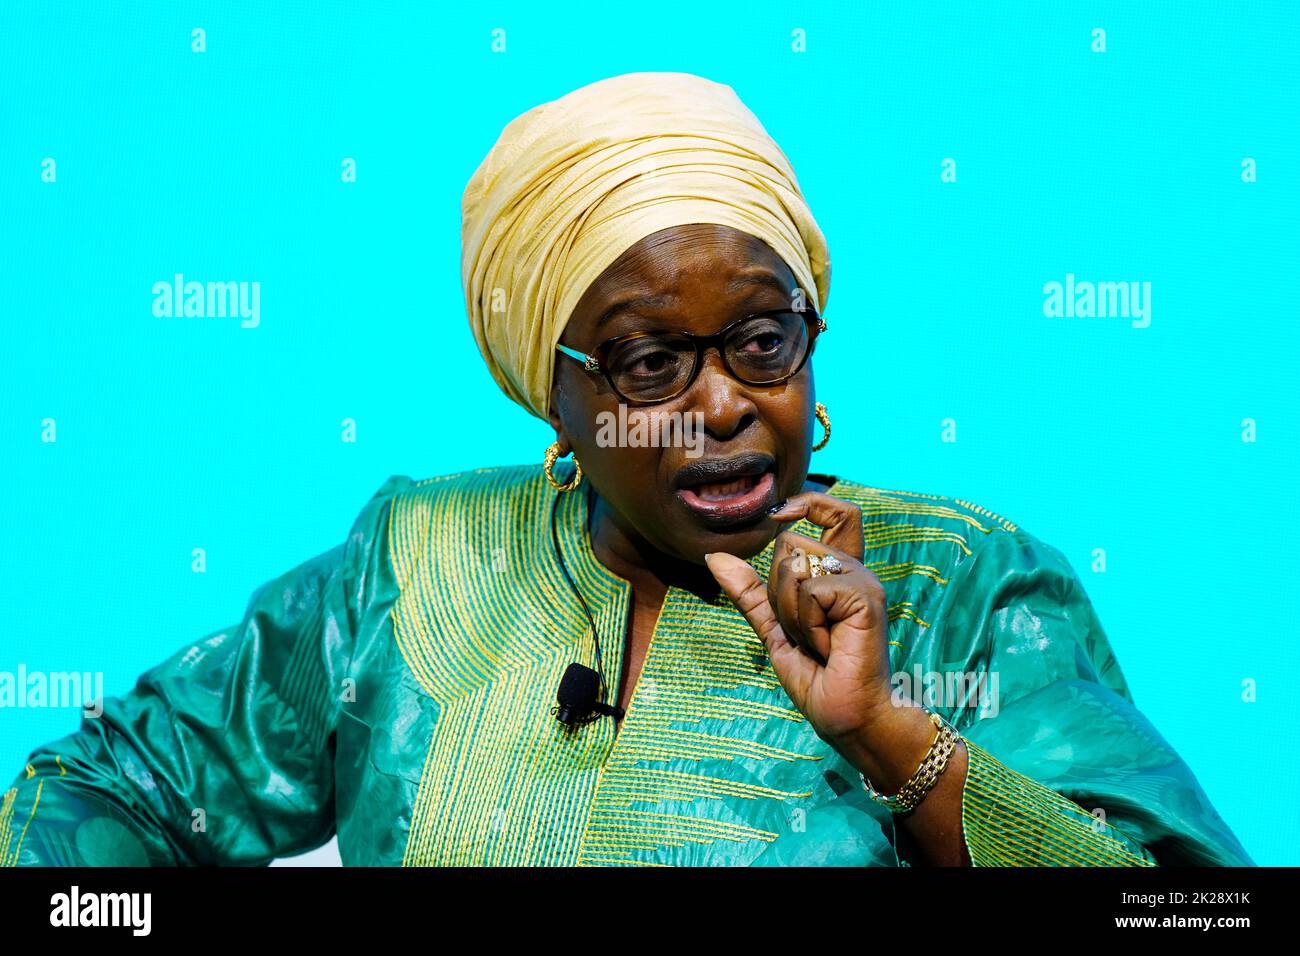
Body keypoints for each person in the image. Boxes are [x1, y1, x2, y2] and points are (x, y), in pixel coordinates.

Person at [2, 72, 1250, 867]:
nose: (724, 403)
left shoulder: (957, 585)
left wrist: (886, 735)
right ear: (549, 391)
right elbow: (109, 787)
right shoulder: (413, 567)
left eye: (764, 340)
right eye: (650, 361)